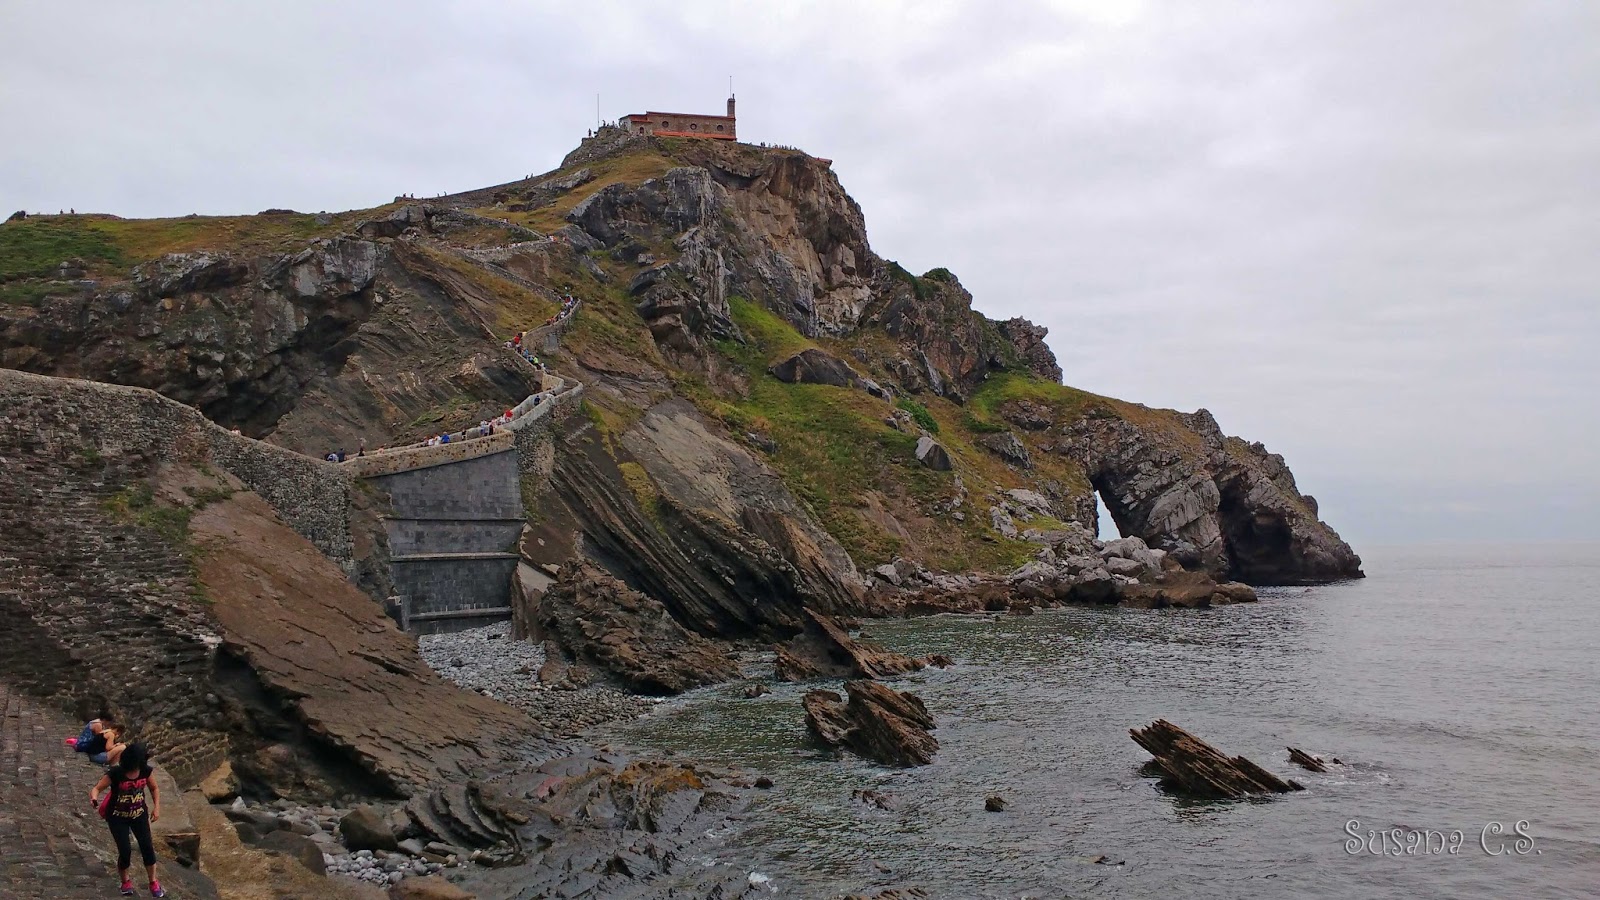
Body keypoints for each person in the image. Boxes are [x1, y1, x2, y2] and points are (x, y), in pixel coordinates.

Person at [89, 742, 165, 897]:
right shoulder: (116, 773)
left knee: (147, 849)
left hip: (139, 815)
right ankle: (125, 881)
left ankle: (153, 882)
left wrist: (156, 807)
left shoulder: (145, 771)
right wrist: (94, 798)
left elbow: (154, 788)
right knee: (125, 851)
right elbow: (97, 788)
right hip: (118, 817)